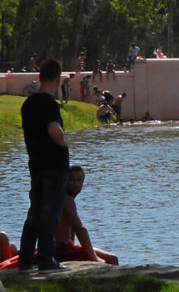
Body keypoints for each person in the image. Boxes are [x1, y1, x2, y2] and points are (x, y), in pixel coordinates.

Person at [17, 59, 71, 272]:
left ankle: (25, 260)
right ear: (57, 78)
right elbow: (54, 130)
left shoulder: (28, 104)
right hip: (54, 164)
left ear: (40, 76)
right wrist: (65, 142)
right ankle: (46, 260)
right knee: (51, 213)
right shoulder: (49, 104)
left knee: (35, 213)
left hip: (36, 163)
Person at [55, 165, 118, 265]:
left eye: (79, 180)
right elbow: (81, 230)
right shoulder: (66, 200)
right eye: (72, 180)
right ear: (65, 181)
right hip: (62, 252)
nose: (75, 184)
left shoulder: (62, 198)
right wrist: (94, 258)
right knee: (112, 260)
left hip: (64, 248)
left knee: (111, 257)